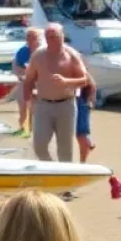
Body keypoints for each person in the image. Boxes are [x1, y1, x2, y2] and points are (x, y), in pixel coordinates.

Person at [23, 24, 88, 162]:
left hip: (66, 105)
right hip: (43, 104)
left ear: (62, 37)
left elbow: (84, 80)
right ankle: (50, 168)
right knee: (39, 145)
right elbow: (28, 79)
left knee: (65, 149)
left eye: (54, 36)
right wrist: (27, 100)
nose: (51, 40)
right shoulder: (38, 56)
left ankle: (65, 177)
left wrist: (66, 82)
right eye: (48, 37)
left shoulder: (72, 55)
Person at [12, 28, 42, 137]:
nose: (30, 40)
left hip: (39, 85)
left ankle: (32, 132)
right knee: (22, 108)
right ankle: (22, 128)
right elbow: (16, 67)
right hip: (24, 83)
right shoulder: (22, 51)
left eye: (33, 37)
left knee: (34, 110)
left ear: (39, 39)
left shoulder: (43, 52)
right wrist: (22, 75)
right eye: (28, 37)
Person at [76, 69, 97, 162]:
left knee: (81, 135)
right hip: (83, 100)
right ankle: (83, 162)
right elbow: (92, 84)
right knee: (82, 134)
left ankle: (83, 162)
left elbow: (91, 83)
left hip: (80, 101)